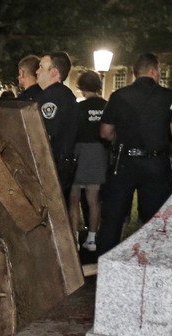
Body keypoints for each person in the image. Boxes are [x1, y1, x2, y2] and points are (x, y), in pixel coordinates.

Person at [96, 53, 172, 258]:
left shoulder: (119, 96)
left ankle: (106, 261)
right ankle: (149, 261)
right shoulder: (169, 97)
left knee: (113, 216)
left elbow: (105, 132)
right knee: (154, 218)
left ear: (135, 73)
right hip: (156, 162)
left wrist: (120, 139)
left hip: (124, 162)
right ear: (153, 71)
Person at [69, 70, 109, 252]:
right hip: (98, 153)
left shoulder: (78, 108)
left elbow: (72, 132)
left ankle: (74, 238)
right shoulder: (106, 106)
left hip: (79, 152)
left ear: (82, 87)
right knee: (94, 200)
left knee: (74, 199)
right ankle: (92, 238)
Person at [36, 52, 79, 197]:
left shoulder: (50, 97)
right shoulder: (66, 94)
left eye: (41, 67)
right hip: (63, 162)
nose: (37, 71)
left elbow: (46, 133)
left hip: (52, 163)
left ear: (54, 72)